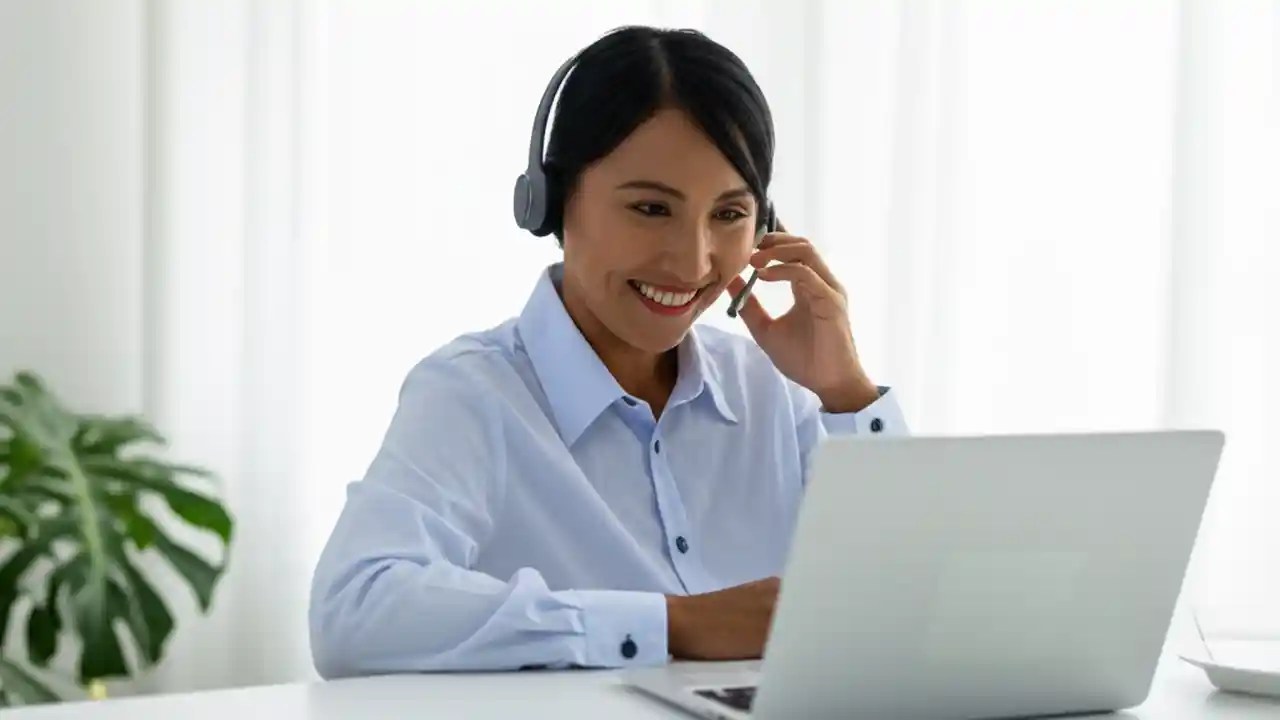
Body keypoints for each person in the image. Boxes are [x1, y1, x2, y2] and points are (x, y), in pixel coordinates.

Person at [309, 25, 907, 679]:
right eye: (652, 208)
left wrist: (845, 393)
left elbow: (915, 607)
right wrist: (675, 624)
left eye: (730, 215)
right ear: (552, 202)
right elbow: (354, 610)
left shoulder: (777, 396)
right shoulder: (473, 395)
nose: (694, 260)